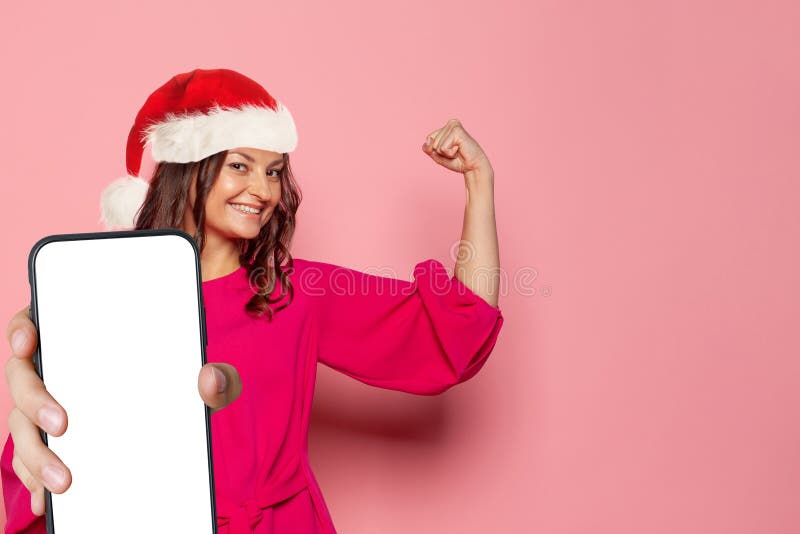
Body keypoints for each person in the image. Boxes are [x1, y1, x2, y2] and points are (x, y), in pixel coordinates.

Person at [1, 68, 504, 533]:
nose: (262, 191)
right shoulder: (111, 300)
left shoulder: (294, 291)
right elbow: (42, 460)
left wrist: (479, 182)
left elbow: (454, 328)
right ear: (189, 168)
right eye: (240, 165)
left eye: (273, 171)